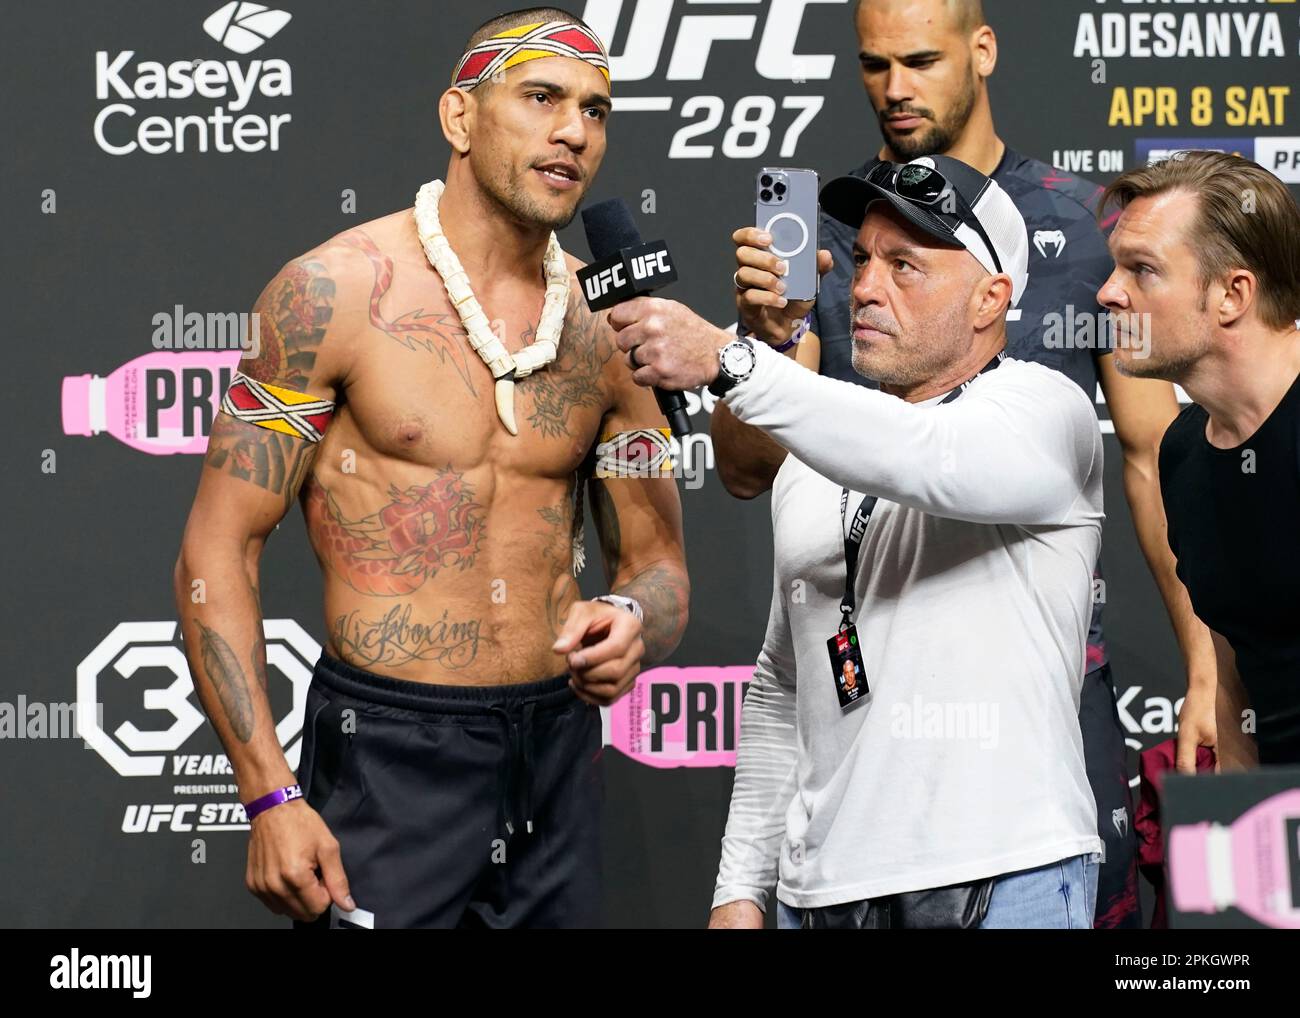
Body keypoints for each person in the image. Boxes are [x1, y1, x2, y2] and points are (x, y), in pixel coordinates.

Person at [172, 6, 689, 929]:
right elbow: (215, 555)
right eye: (542, 98)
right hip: (388, 753)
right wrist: (270, 796)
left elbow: (660, 567)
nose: (575, 131)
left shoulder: (612, 330)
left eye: (596, 110)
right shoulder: (332, 293)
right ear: (460, 116)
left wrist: (633, 619)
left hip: (557, 754)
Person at [711, 0, 1211, 927]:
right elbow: (751, 468)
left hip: (1043, 668)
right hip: (857, 656)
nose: (895, 89)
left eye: (920, 60)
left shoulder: (1082, 224)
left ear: (982, 50)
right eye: (874, 65)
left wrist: (1204, 662)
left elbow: (1148, 453)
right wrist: (764, 341)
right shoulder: (827, 230)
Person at [610, 155, 1104, 928]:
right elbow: (783, 685)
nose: (866, 287)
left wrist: (734, 360)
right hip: (823, 896)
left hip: (1009, 877)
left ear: (991, 298)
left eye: (905, 265)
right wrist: (739, 887)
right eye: (865, 259)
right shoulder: (814, 451)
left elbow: (928, 457)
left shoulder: (1046, 412)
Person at [1097, 150, 1300, 768]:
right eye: (1115, 267)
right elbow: (1234, 688)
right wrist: (1243, 816)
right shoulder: (1185, 453)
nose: (1108, 294)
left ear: (1232, 294)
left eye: (1143, 270)